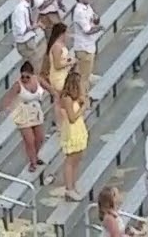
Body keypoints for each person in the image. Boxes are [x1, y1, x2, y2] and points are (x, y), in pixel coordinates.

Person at [0, 61, 46, 173]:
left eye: (27, 77)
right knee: (29, 140)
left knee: (40, 138)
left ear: (32, 75)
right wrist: (3, 108)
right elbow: (9, 97)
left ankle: (35, 155)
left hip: (35, 110)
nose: (24, 79)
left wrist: (57, 95)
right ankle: (32, 162)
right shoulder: (18, 85)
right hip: (22, 113)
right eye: (22, 76)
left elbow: (49, 88)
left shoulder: (38, 80)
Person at [58, 71, 88, 202]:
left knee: (77, 158)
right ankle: (69, 188)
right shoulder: (67, 99)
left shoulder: (75, 98)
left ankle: (73, 185)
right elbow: (72, 118)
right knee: (71, 160)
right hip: (72, 129)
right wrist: (83, 108)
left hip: (78, 127)